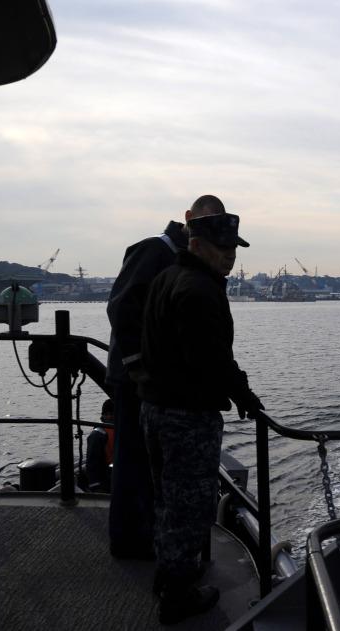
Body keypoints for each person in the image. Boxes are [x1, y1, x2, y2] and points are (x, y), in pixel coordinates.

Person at [139, 211, 264, 624]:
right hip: (187, 416)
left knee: (166, 500)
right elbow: (211, 359)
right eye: (223, 247)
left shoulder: (167, 279)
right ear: (196, 245)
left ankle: (167, 575)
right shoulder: (198, 290)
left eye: (233, 248)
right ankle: (178, 595)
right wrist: (244, 395)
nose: (230, 255)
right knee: (190, 507)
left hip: (156, 408)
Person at [105, 194, 223, 560]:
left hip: (155, 381)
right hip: (138, 379)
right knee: (134, 463)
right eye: (205, 223)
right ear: (188, 219)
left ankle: (150, 541)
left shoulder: (181, 259)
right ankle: (132, 543)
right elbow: (122, 307)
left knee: (153, 466)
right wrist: (138, 367)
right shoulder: (155, 250)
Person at [85, 399, 115, 493]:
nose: (109, 417)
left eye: (111, 414)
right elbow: (92, 462)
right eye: (106, 414)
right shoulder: (97, 435)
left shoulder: (123, 430)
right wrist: (95, 486)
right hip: (106, 478)